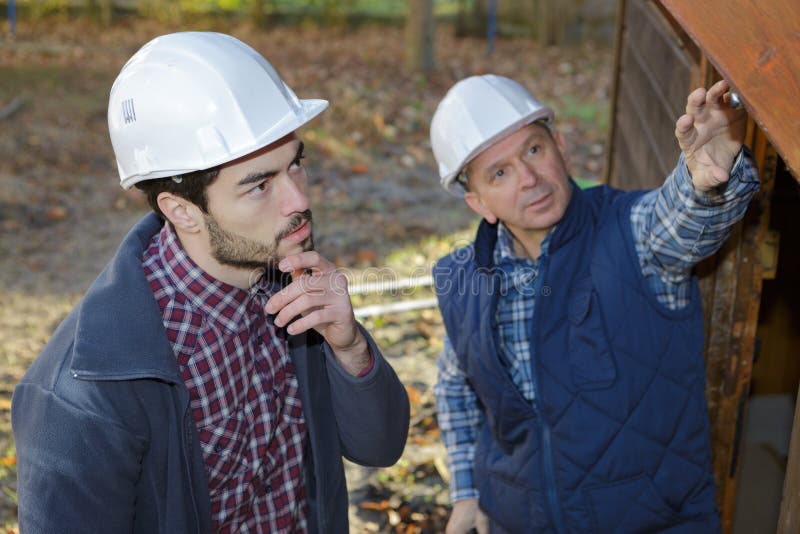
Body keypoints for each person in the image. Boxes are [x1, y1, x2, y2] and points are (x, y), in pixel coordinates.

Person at [11, 32, 409, 534]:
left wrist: (350, 348)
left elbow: (380, 446)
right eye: (260, 185)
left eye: (296, 166)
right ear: (181, 211)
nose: (298, 202)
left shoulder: (289, 280)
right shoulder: (81, 396)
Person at [429, 74, 759, 533]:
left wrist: (705, 181)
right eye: (499, 173)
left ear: (561, 148)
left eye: (533, 150)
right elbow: (455, 383)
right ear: (478, 202)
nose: (529, 179)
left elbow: (679, 218)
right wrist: (466, 493)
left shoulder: (630, 231)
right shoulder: (463, 279)